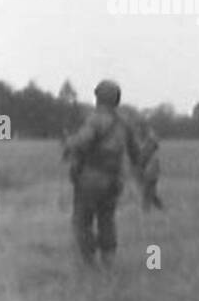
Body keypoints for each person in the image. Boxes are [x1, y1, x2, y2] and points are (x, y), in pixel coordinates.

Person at [62, 80, 149, 266]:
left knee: (82, 220)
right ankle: (108, 263)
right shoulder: (125, 123)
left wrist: (68, 143)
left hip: (92, 177)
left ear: (99, 97)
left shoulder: (96, 119)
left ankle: (90, 263)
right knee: (107, 220)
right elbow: (137, 154)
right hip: (114, 180)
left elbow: (82, 141)